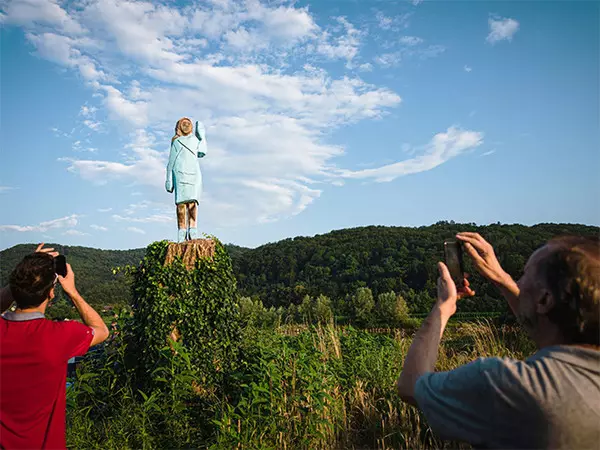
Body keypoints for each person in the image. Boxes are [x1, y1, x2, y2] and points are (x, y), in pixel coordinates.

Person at [397, 232, 600, 449]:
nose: (519, 282)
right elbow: (547, 330)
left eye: (524, 274)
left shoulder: (505, 384)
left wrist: (443, 307)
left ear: (544, 300)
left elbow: (411, 386)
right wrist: (500, 277)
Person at [0, 244, 109, 449]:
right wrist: (73, 292)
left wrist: (21, 280)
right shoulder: (60, 335)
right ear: (51, 294)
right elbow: (101, 329)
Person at [165, 117, 208, 242]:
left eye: (188, 123)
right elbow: (171, 162)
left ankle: (193, 228)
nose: (186, 125)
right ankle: (182, 229)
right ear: (178, 126)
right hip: (179, 174)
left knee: (193, 203)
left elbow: (202, 152)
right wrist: (168, 179)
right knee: (181, 205)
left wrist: (202, 136)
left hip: (194, 173)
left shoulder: (195, 140)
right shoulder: (177, 142)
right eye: (183, 123)